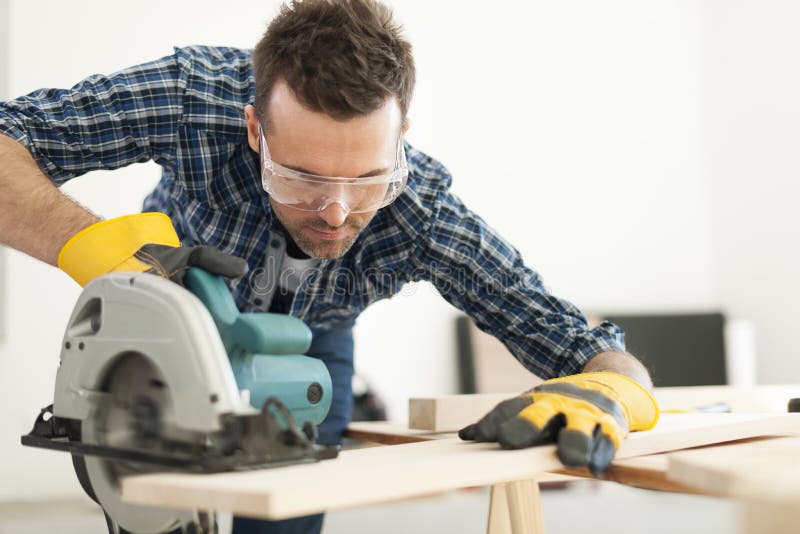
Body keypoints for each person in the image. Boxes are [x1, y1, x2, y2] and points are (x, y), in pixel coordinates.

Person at [0, 1, 658, 533]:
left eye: (367, 181)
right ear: (256, 131)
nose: (337, 214)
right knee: (159, 512)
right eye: (302, 179)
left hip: (314, 345)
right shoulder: (192, 98)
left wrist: (608, 393)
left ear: (400, 139)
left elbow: (587, 347)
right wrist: (92, 248)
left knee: (281, 519)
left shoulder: (422, 212)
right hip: (173, 332)